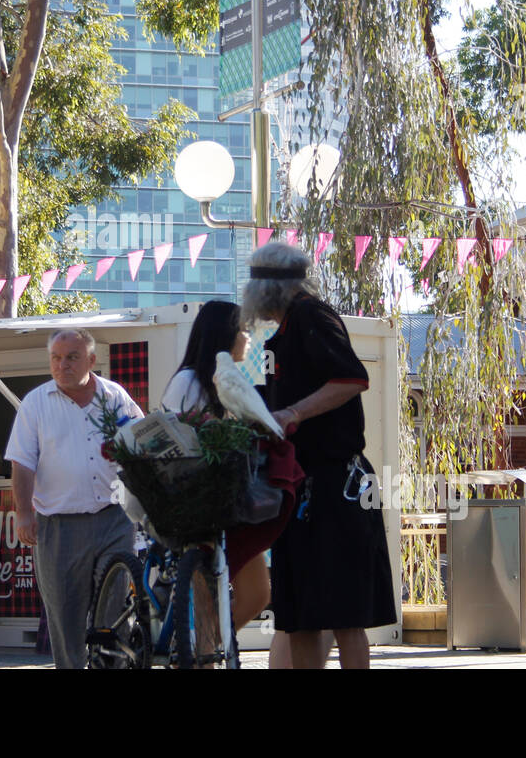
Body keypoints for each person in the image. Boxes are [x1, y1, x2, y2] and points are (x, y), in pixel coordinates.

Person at [243, 241, 397, 670]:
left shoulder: (313, 316)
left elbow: (351, 378)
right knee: (301, 619)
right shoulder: (285, 331)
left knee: (345, 615)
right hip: (301, 483)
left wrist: (294, 412)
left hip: (336, 483)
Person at [158, 300, 303, 634]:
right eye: (242, 331)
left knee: (258, 595)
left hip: (228, 508)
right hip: (198, 508)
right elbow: (184, 449)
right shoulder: (189, 383)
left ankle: (211, 648)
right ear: (223, 336)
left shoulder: (222, 381)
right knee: (205, 600)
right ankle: (199, 652)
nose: (248, 338)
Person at [6, 329, 143, 669]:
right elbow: (22, 463)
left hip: (114, 517)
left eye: (71, 357)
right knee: (65, 615)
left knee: (116, 607)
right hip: (59, 526)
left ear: (92, 360)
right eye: (56, 357)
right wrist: (24, 513)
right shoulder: (36, 403)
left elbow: (140, 443)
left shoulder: (114, 396)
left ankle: (111, 665)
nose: (62, 365)